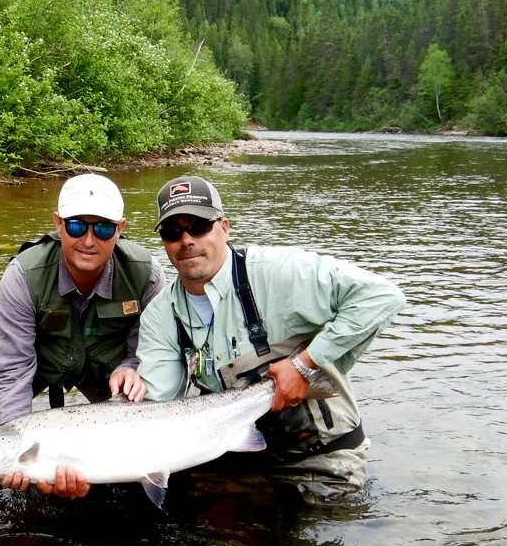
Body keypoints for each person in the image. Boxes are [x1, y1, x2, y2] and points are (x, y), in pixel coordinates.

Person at [136, 175, 405, 504]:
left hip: (320, 458)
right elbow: (158, 411)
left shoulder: (280, 272)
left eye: (199, 225)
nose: (186, 240)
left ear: (224, 227)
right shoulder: (158, 316)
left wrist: (304, 365)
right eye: (172, 231)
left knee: (314, 545)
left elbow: (382, 296)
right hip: (239, 452)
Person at [0, 173, 165, 498]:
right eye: (77, 226)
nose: (88, 240)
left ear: (120, 229)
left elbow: (153, 351)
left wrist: (132, 366)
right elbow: (11, 371)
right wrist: (18, 455)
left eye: (103, 228)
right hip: (39, 360)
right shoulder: (22, 277)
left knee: (153, 406)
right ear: (58, 224)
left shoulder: (146, 274)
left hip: (108, 367)